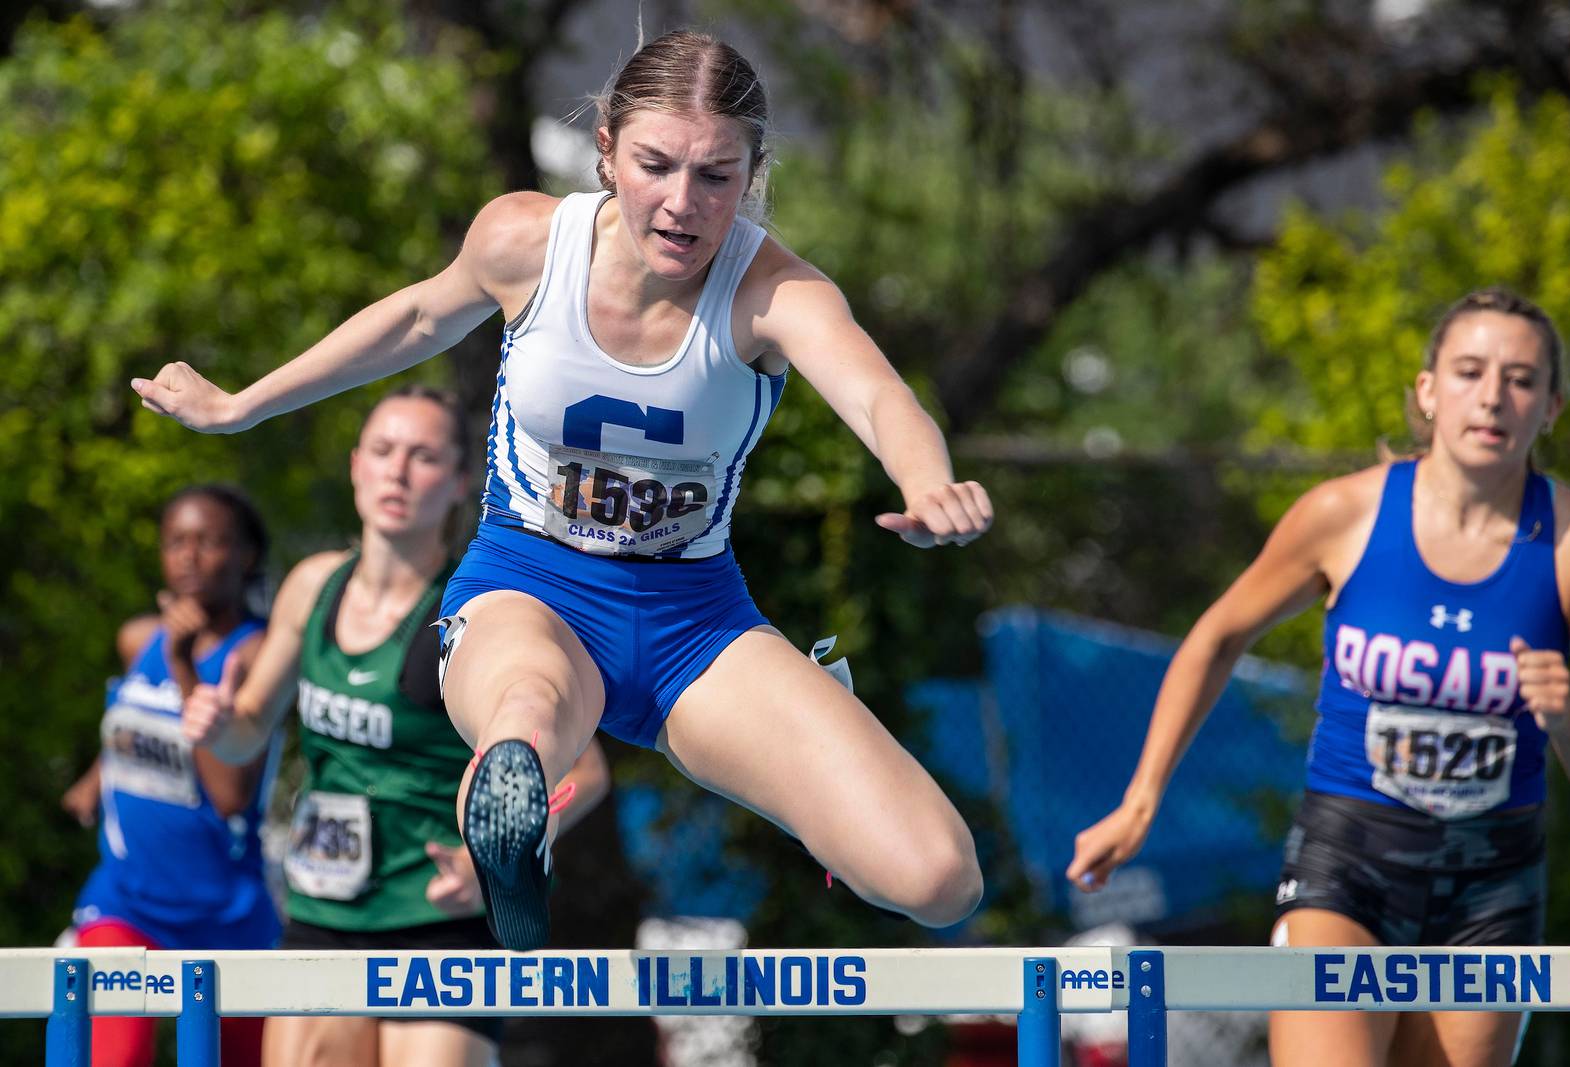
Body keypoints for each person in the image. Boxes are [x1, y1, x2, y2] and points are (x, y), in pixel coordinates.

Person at [132, 28, 988, 951]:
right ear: (607, 149)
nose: (683, 204)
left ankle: (819, 819)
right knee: (526, 716)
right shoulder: (527, 242)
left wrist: (928, 479)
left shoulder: (775, 292)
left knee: (939, 880)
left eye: (716, 175)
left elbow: (878, 394)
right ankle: (515, 818)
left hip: (695, 622)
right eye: (656, 166)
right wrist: (242, 404)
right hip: (526, 586)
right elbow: (415, 316)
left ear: (753, 173)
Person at [1067, 287, 1570, 1067]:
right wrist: (1141, 798)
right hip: (1347, 868)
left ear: (1551, 405)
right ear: (1428, 390)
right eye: (1470, 371)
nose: (1493, 396)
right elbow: (1217, 636)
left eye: (1520, 379)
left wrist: (1565, 721)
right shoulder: (1343, 515)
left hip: (1491, 887)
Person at [180, 386, 609, 1067]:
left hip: (440, 914)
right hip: (325, 910)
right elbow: (246, 733)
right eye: (383, 451)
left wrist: (495, 854)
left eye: (423, 456)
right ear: (356, 465)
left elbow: (586, 770)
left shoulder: (480, 609)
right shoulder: (313, 585)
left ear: (462, 481)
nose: (398, 472)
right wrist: (217, 722)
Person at [64, 485, 278, 1067]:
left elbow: (230, 795)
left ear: (246, 555)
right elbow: (136, 721)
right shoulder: (139, 640)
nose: (189, 556)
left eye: (209, 542)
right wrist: (96, 777)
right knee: (115, 1058)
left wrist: (185, 665)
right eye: (176, 542)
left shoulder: (255, 654)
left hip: (227, 914)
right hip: (125, 902)